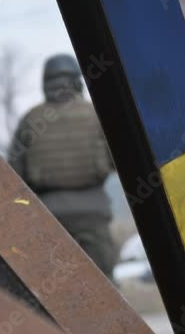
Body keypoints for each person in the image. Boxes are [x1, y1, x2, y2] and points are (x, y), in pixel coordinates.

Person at [8, 54, 117, 278]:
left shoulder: (31, 119)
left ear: (45, 83)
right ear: (77, 80)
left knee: (57, 291)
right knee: (104, 285)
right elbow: (118, 160)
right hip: (93, 213)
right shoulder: (97, 115)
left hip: (49, 216)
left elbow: (13, 172)